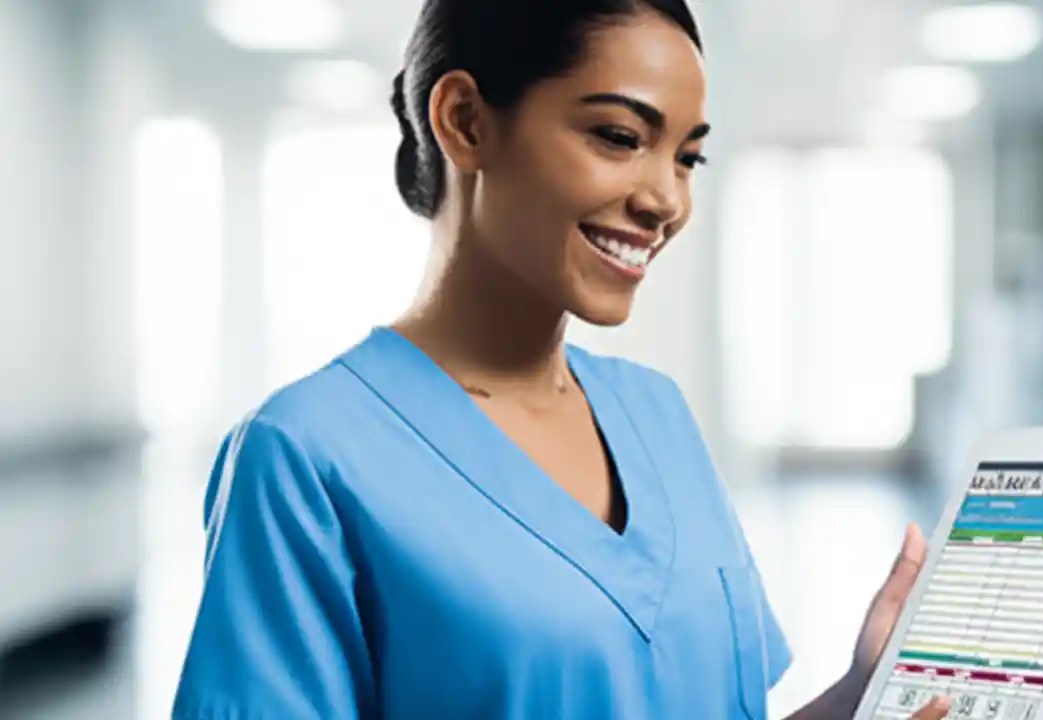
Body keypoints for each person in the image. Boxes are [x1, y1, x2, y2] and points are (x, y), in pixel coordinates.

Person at [172, 1, 949, 718]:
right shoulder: (307, 456)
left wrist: (857, 695)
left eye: (686, 159)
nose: (666, 201)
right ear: (465, 121)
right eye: (620, 137)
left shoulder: (656, 415)